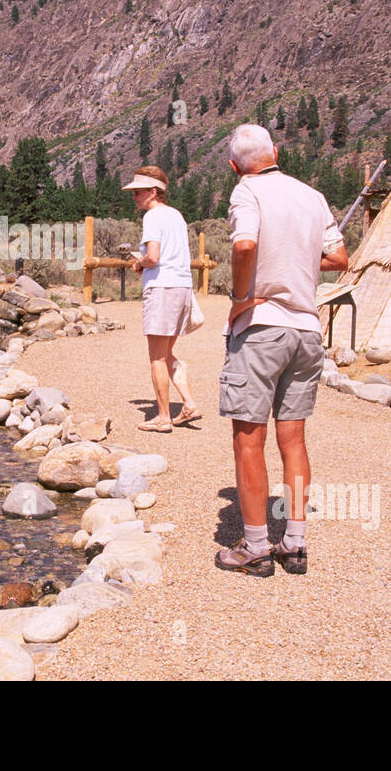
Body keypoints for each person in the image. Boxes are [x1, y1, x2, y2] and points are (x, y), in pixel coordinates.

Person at [215, 125, 347, 577]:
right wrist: (296, 261)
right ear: (276, 151)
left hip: (263, 327)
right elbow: (339, 257)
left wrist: (239, 297)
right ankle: (294, 541)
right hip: (307, 330)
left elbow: (245, 244)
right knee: (293, 440)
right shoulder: (312, 196)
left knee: (248, 440)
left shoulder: (246, 192)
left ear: (234, 166)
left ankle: (255, 545)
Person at [123, 166, 199, 432]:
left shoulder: (152, 217)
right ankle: (188, 403)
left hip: (162, 288)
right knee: (165, 354)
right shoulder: (176, 216)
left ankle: (164, 417)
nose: (134, 197)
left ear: (153, 192)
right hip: (181, 287)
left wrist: (140, 263)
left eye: (138, 192)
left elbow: (154, 256)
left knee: (156, 357)